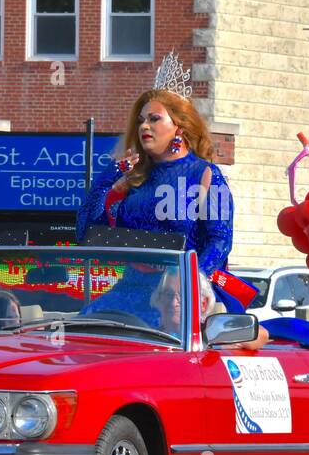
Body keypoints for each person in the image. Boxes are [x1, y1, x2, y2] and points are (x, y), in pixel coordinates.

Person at [76, 84, 234, 325]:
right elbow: (86, 233)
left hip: (180, 295)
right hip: (131, 290)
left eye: (154, 118)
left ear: (179, 126)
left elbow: (220, 241)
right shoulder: (132, 181)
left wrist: (191, 282)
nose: (144, 126)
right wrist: (107, 178)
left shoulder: (208, 174)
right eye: (140, 121)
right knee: (87, 327)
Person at [151, 268, 269, 350]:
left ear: (202, 304)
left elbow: (261, 334)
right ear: (158, 299)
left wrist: (222, 340)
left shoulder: (209, 332)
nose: (173, 303)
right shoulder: (143, 331)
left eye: (183, 295)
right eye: (168, 294)